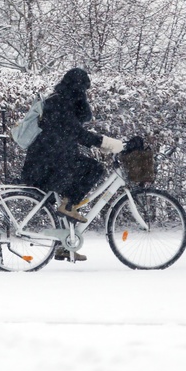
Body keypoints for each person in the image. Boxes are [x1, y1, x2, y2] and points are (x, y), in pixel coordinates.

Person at [20, 68, 123, 260]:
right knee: (94, 169)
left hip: (50, 159)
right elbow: (77, 133)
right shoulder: (60, 103)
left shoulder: (61, 100)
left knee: (69, 199)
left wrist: (99, 143)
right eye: (84, 89)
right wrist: (105, 143)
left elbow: (74, 128)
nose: (85, 93)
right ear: (78, 87)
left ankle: (65, 246)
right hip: (48, 162)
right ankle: (69, 206)